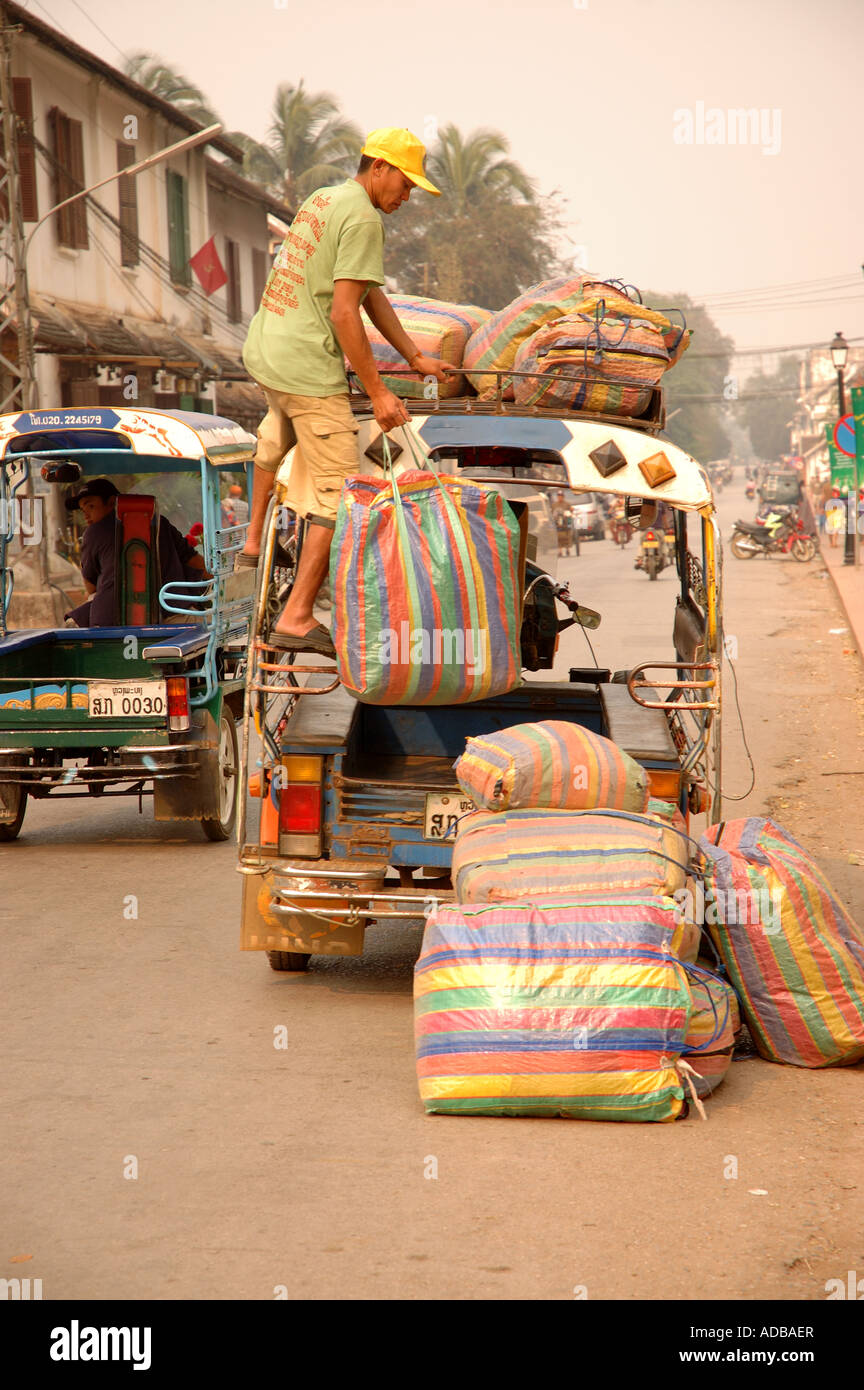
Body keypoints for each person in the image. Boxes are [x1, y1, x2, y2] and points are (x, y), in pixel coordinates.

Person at [239, 126, 452, 657]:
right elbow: (342, 312)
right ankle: (295, 615)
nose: (406, 198)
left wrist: (413, 356)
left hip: (268, 352)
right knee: (340, 494)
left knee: (275, 433)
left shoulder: (324, 200)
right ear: (378, 167)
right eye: (405, 185)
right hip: (309, 369)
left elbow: (367, 294)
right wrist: (380, 393)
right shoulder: (362, 217)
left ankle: (251, 541)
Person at [64, 479, 209, 627]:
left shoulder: (93, 533)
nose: (86, 515)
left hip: (110, 623)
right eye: (84, 510)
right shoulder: (160, 523)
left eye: (91, 506)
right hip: (173, 613)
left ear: (112, 502)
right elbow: (194, 561)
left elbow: (91, 587)